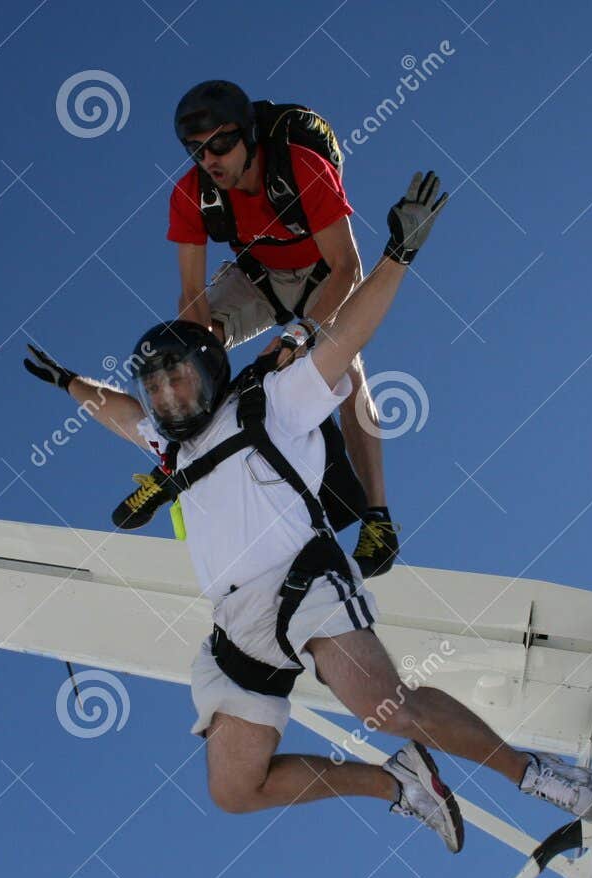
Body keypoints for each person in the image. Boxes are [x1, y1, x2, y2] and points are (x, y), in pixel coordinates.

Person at [23, 173, 592, 850]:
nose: (163, 393)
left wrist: (398, 256)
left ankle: (529, 772)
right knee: (235, 791)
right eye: (154, 385)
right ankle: (402, 783)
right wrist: (72, 382)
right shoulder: (173, 450)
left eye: (175, 375)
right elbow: (122, 416)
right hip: (236, 622)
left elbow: (345, 337)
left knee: (384, 705)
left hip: (302, 581)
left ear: (210, 368)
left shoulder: (270, 402)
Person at [117, 79, 400, 579]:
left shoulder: (300, 166)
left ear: (248, 133)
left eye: (221, 144)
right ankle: (176, 462)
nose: (210, 160)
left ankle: (378, 518)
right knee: (182, 352)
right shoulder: (192, 194)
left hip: (322, 277)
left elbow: (346, 267)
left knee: (345, 364)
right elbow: (192, 297)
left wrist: (303, 335)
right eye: (196, 151)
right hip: (258, 279)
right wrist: (198, 363)